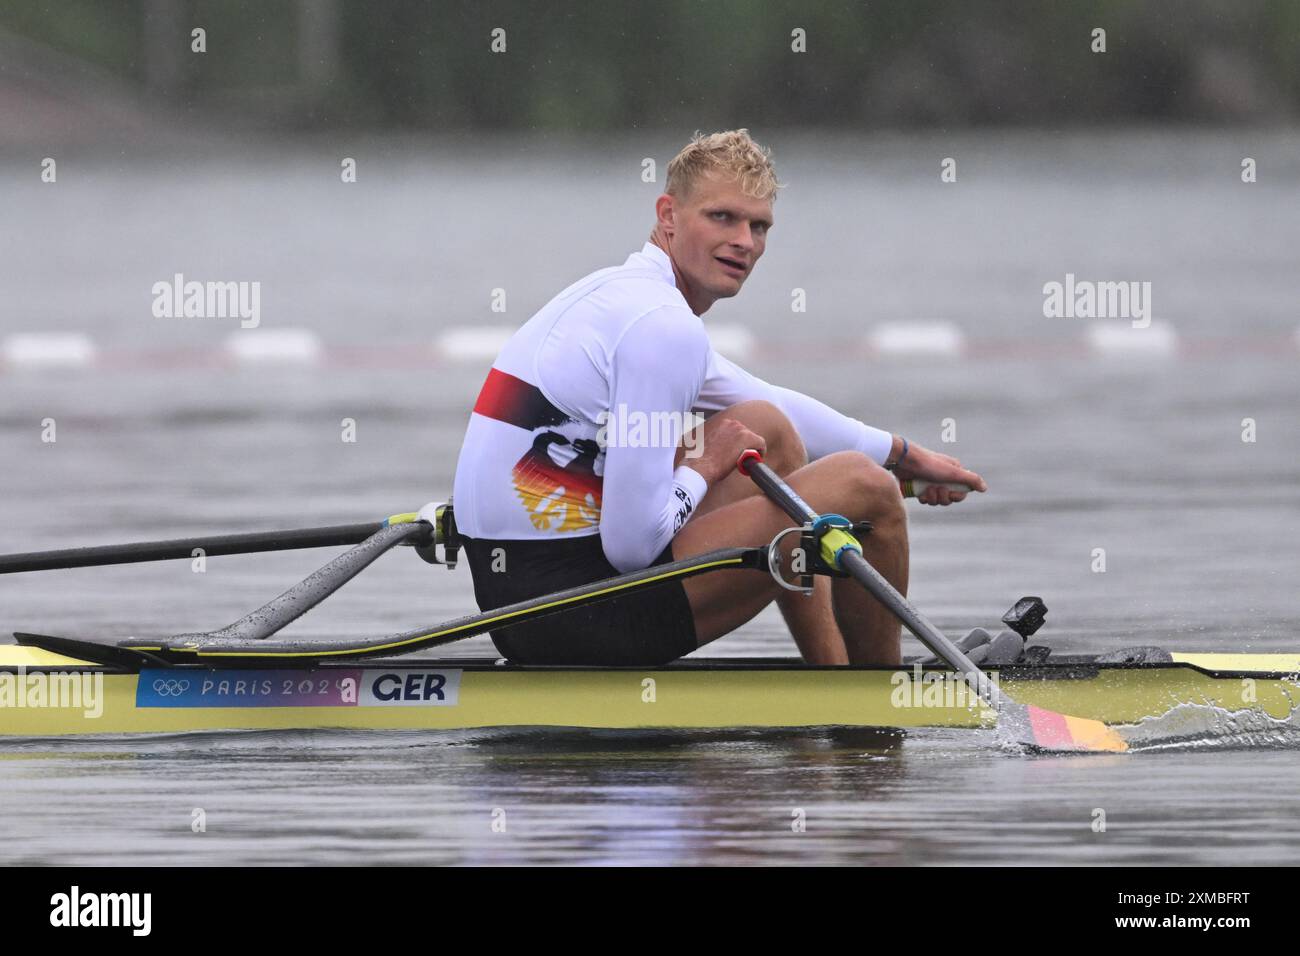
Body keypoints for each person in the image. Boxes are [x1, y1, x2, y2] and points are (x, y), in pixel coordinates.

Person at [451, 129, 986, 667]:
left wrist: (906, 456)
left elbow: (776, 404)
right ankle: (880, 695)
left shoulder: (625, 298)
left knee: (767, 427)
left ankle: (832, 672)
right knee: (867, 490)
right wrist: (705, 465)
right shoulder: (663, 330)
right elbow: (631, 548)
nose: (745, 242)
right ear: (668, 215)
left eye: (759, 226)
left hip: (521, 605)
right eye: (722, 218)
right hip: (580, 618)